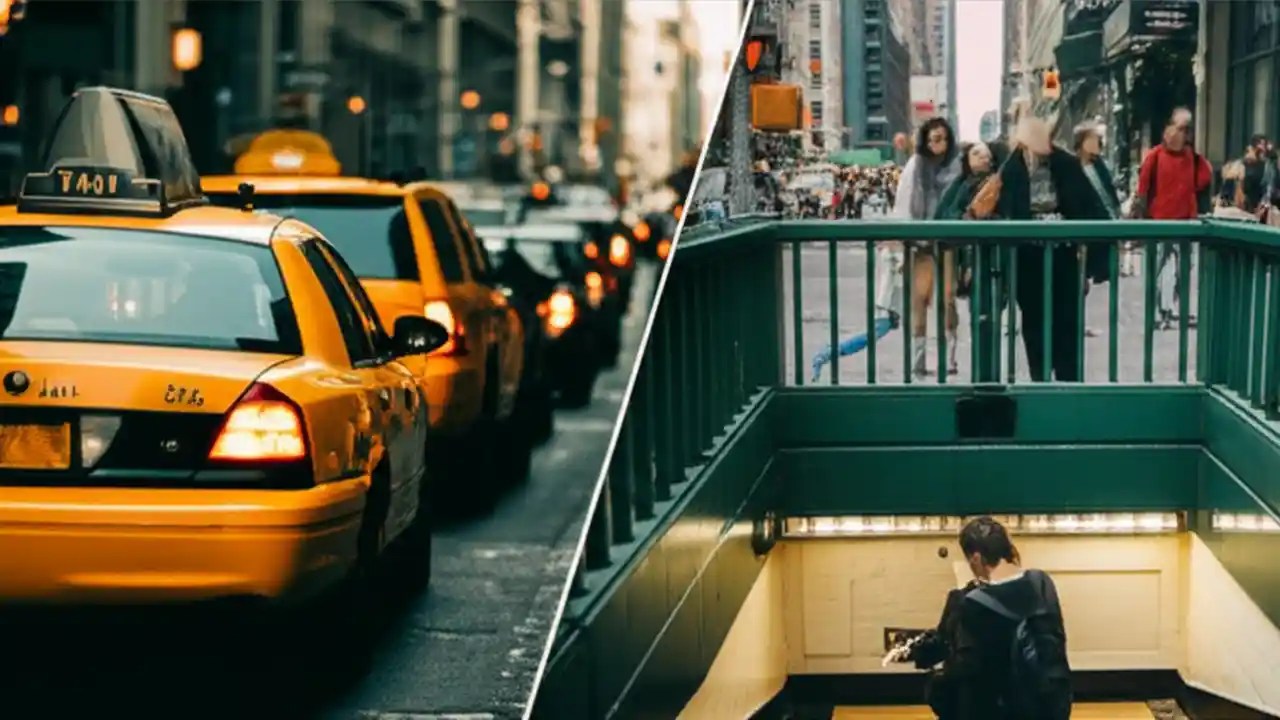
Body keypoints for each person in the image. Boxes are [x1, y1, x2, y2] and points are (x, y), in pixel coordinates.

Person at [996, 117, 1108, 382]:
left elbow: (1090, 208)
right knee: (1034, 323)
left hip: (1064, 255)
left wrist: (1093, 263)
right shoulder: (1012, 169)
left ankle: (1068, 384)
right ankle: (1041, 380)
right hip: (1028, 258)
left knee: (1067, 321)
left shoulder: (1065, 164)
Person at [951, 517, 1072, 719]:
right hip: (1054, 704)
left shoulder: (973, 603)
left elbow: (969, 672)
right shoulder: (1042, 582)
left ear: (976, 558)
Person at [890, 117, 961, 377]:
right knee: (918, 301)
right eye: (933, 138)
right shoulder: (916, 165)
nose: (938, 143)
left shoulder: (957, 167)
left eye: (942, 138)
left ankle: (949, 359)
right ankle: (917, 360)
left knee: (947, 300)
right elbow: (905, 202)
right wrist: (908, 237)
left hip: (948, 243)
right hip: (919, 243)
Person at [1130, 108, 1211, 329]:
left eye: (1188, 129)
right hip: (1159, 224)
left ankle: (1173, 308)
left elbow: (1205, 179)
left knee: (1184, 269)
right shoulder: (1154, 157)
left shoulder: (1193, 159)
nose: (1185, 134)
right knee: (1157, 270)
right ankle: (1158, 311)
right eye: (1182, 128)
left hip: (1185, 223)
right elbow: (1142, 190)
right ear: (1168, 129)